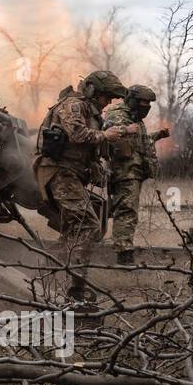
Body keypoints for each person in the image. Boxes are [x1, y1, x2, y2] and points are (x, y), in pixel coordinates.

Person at [34, 70, 136, 306]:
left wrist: (93, 166)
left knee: (75, 228)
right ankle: (76, 289)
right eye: (105, 97)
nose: (108, 102)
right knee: (87, 224)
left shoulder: (90, 111)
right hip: (58, 172)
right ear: (91, 90)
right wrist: (109, 134)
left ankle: (55, 277)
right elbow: (78, 135)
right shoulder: (74, 105)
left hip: (70, 173)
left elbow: (82, 148)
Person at [103, 85, 165, 266]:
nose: (146, 106)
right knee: (126, 211)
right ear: (131, 100)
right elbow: (116, 137)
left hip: (133, 172)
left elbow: (139, 141)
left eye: (148, 103)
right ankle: (124, 254)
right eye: (142, 102)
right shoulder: (118, 115)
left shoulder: (135, 118)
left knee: (126, 210)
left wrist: (158, 135)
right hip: (124, 172)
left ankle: (122, 248)